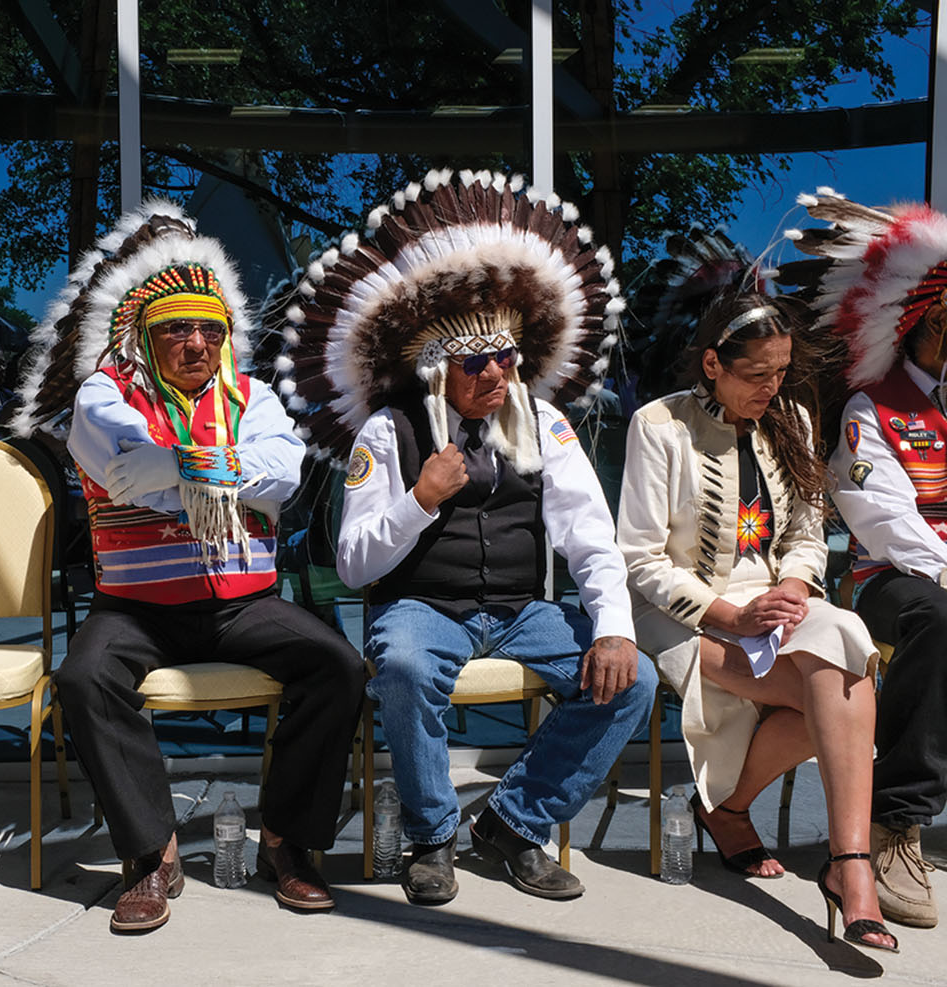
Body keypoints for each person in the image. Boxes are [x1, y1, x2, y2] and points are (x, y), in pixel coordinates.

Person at [281, 168, 656, 904]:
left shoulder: (543, 423)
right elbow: (356, 563)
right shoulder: (389, 430)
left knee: (633, 679)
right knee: (409, 669)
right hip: (423, 605)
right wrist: (420, 499)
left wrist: (613, 628)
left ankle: (513, 823)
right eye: (476, 361)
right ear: (436, 368)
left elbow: (590, 537)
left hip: (523, 610)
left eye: (507, 357)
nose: (496, 372)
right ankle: (431, 837)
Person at [11, 203, 364, 934]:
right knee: (83, 677)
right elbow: (125, 462)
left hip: (243, 600)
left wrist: (184, 465)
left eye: (209, 328)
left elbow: (285, 474)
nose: (197, 342)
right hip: (136, 609)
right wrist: (222, 470)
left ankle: (285, 839)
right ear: (145, 336)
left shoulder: (253, 396)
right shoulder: (104, 395)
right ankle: (151, 852)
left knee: (338, 666)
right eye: (177, 327)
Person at [618, 291, 893, 951]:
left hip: (775, 604)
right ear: (712, 362)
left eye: (781, 371)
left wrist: (795, 590)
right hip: (680, 612)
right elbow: (641, 559)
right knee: (839, 700)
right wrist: (733, 615)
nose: (772, 387)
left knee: (848, 644)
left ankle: (838, 854)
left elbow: (806, 534)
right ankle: (826, 856)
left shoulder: (791, 417)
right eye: (756, 374)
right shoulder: (658, 425)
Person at [782, 188, 947, 930]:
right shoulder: (868, 408)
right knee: (942, 620)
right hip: (896, 581)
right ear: (933, 322)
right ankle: (895, 821)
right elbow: (882, 521)